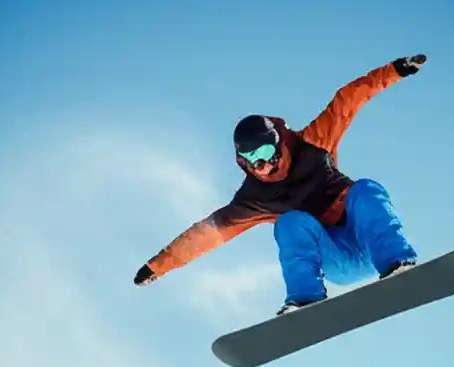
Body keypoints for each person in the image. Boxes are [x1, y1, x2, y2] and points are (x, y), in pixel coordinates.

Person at [133, 55, 427, 315]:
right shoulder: (251, 199)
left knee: (365, 190)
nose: (261, 164)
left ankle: (398, 263)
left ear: (277, 143)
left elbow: (348, 99)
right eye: (251, 158)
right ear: (242, 160)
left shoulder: (313, 141)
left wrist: (395, 70)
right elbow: (205, 234)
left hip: (371, 240)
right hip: (337, 259)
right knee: (290, 223)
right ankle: (305, 299)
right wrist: (157, 267)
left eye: (264, 153)